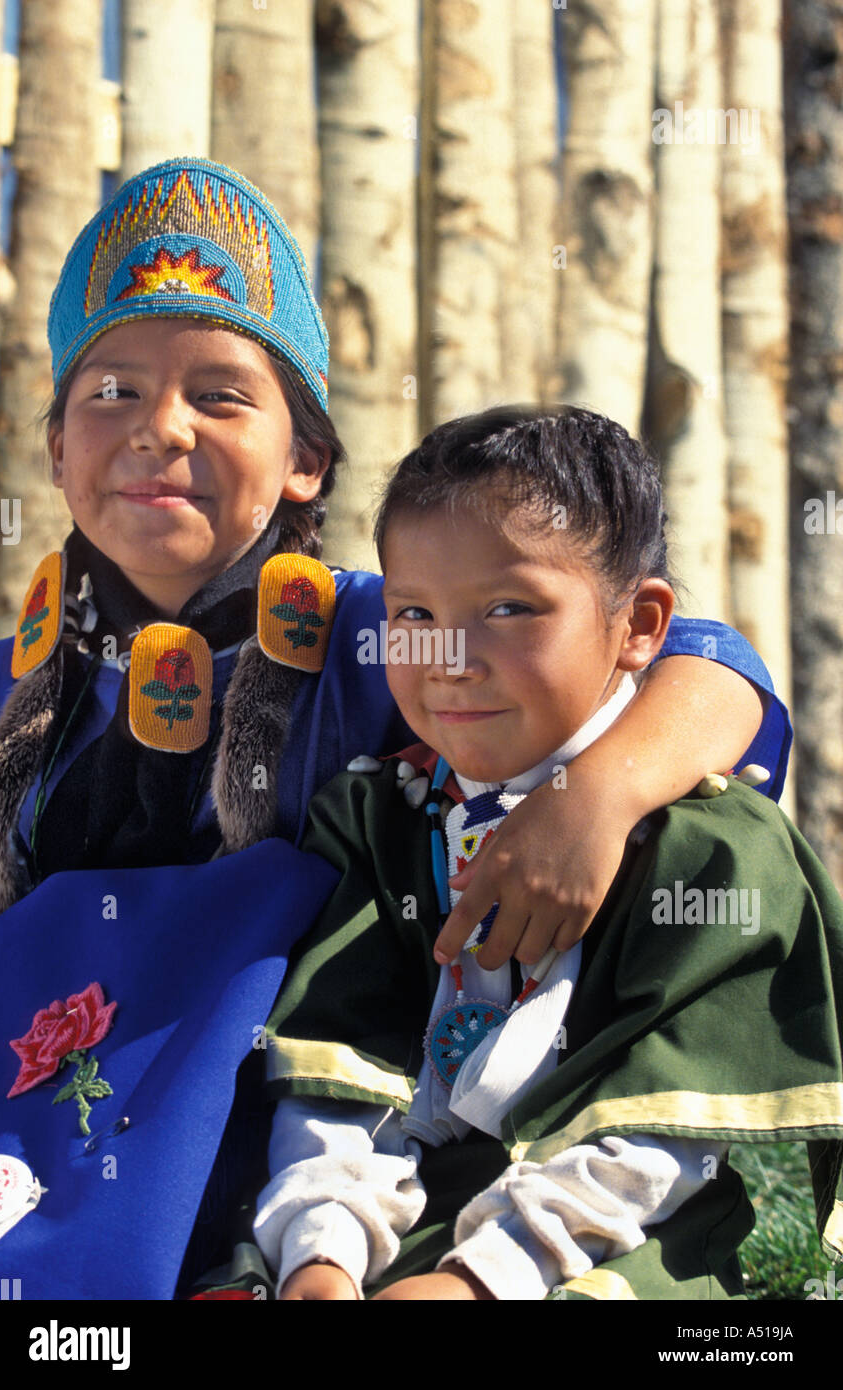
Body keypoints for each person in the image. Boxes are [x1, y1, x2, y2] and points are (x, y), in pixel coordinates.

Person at [0, 158, 791, 1300]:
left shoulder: (396, 636)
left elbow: (717, 668)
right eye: (110, 391)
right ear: (58, 448)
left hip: (318, 1170)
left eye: (219, 395)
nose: (159, 428)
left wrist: (593, 795)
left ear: (306, 457)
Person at [248, 408, 843, 1302]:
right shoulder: (382, 815)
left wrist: (483, 1280)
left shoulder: (710, 851)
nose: (450, 656)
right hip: (406, 1221)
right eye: (415, 613)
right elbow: (344, 1058)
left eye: (508, 609)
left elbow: (658, 1140)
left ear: (639, 623)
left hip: (608, 1242)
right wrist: (321, 1250)